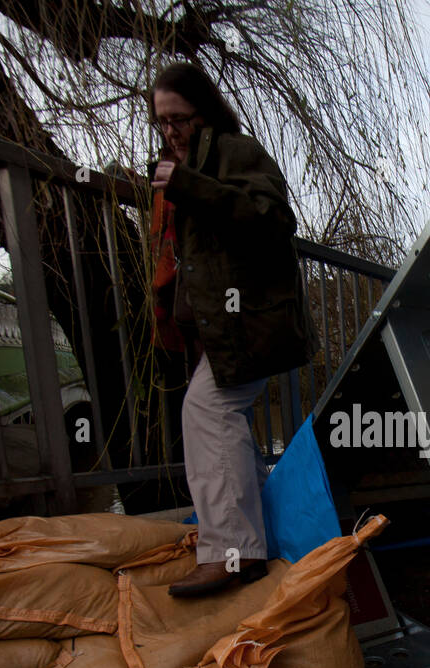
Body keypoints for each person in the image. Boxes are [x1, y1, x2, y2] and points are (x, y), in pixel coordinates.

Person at [147, 62, 313, 596]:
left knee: (208, 412)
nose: (170, 132)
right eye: (161, 123)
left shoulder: (234, 151)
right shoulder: (191, 165)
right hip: (220, 333)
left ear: (206, 112)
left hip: (249, 326)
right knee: (218, 420)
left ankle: (235, 554)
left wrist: (191, 187)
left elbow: (273, 220)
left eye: (180, 120)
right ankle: (251, 542)